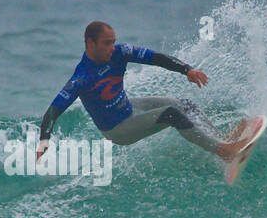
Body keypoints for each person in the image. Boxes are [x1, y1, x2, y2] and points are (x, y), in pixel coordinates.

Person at [36, 21, 251, 163]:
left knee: (184, 104)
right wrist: (44, 141)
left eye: (113, 41)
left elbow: (155, 58)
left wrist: (187, 69)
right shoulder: (81, 78)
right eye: (107, 43)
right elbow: (52, 112)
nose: (112, 47)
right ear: (90, 43)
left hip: (129, 107)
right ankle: (224, 151)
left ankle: (222, 138)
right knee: (171, 114)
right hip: (118, 129)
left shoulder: (119, 53)